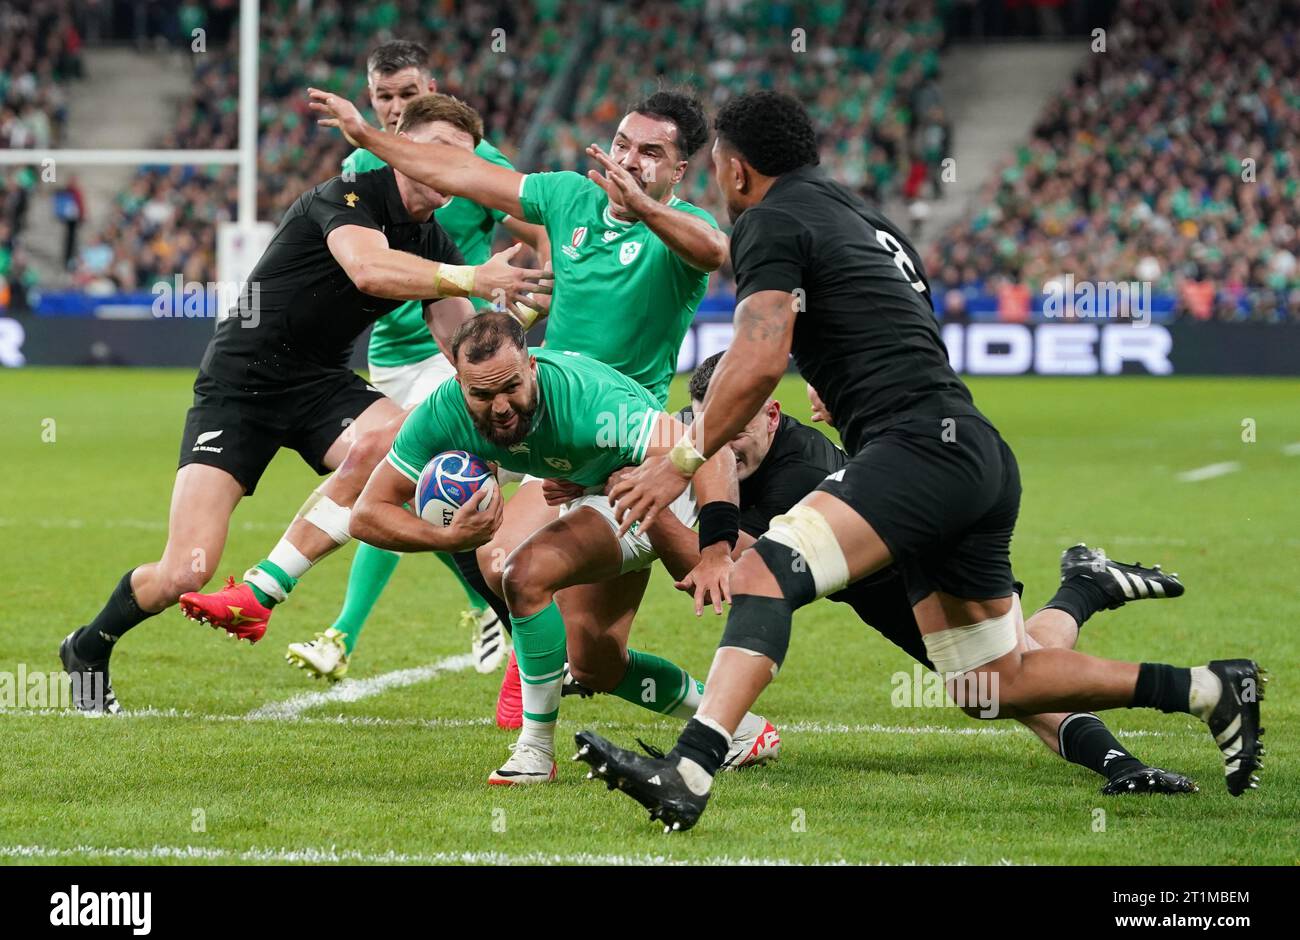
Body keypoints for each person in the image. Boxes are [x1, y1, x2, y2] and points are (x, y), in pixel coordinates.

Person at [574, 92, 1265, 830]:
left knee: (763, 572)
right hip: (969, 451)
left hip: (916, 450)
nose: (717, 182)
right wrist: (847, 390)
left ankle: (689, 769)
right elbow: (891, 326)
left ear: (736, 170)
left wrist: (679, 458)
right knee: (989, 682)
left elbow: (757, 356)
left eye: (713, 167)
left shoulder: (766, 220)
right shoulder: (869, 218)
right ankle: (1206, 688)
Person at [59, 96, 549, 713]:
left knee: (408, 450)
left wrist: (521, 318)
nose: (454, 171)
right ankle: (89, 645)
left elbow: (464, 349)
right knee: (185, 570)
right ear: (401, 146)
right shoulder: (346, 195)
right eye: (441, 153)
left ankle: (509, 632)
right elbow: (368, 269)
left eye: (464, 160)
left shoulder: (435, 239)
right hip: (239, 384)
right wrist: (475, 278)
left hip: (321, 383)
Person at [306, 83, 729, 728]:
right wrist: (368, 139)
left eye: (650, 153)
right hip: (551, 427)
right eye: (622, 145)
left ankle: (575, 702)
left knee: (593, 649)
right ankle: (710, 722)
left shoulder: (686, 230)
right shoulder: (566, 196)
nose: (629, 161)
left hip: (629, 444)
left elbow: (716, 254)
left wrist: (644, 207)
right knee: (530, 589)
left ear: (679, 170)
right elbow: (462, 172)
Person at [620, 352, 1195, 795]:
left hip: (928, 572)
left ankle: (1125, 754)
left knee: (1011, 685)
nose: (724, 445)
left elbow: (745, 573)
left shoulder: (801, 470)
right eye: (712, 430)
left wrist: (655, 508)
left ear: (772, 414)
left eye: (736, 430)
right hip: (884, 585)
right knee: (1010, 678)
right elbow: (669, 451)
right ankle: (1087, 585)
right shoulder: (708, 436)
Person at [349, 312, 777, 784]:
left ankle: (534, 752)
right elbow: (366, 513)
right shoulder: (442, 411)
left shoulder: (592, 405)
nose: (500, 407)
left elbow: (708, 449)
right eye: (482, 394)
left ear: (531, 366)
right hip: (590, 485)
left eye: (511, 386)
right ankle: (741, 727)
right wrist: (446, 538)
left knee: (522, 573)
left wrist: (716, 549)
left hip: (646, 485)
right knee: (596, 664)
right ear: (458, 382)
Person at [286, 40, 550, 682]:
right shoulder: (361, 165)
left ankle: (341, 633)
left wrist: (518, 322)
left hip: (453, 346)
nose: (396, 109)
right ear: (371, 101)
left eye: (408, 94)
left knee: (399, 475)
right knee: (414, 484)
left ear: (432, 88)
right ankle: (490, 607)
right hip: (389, 348)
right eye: (384, 98)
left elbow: (540, 240)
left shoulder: (481, 163)